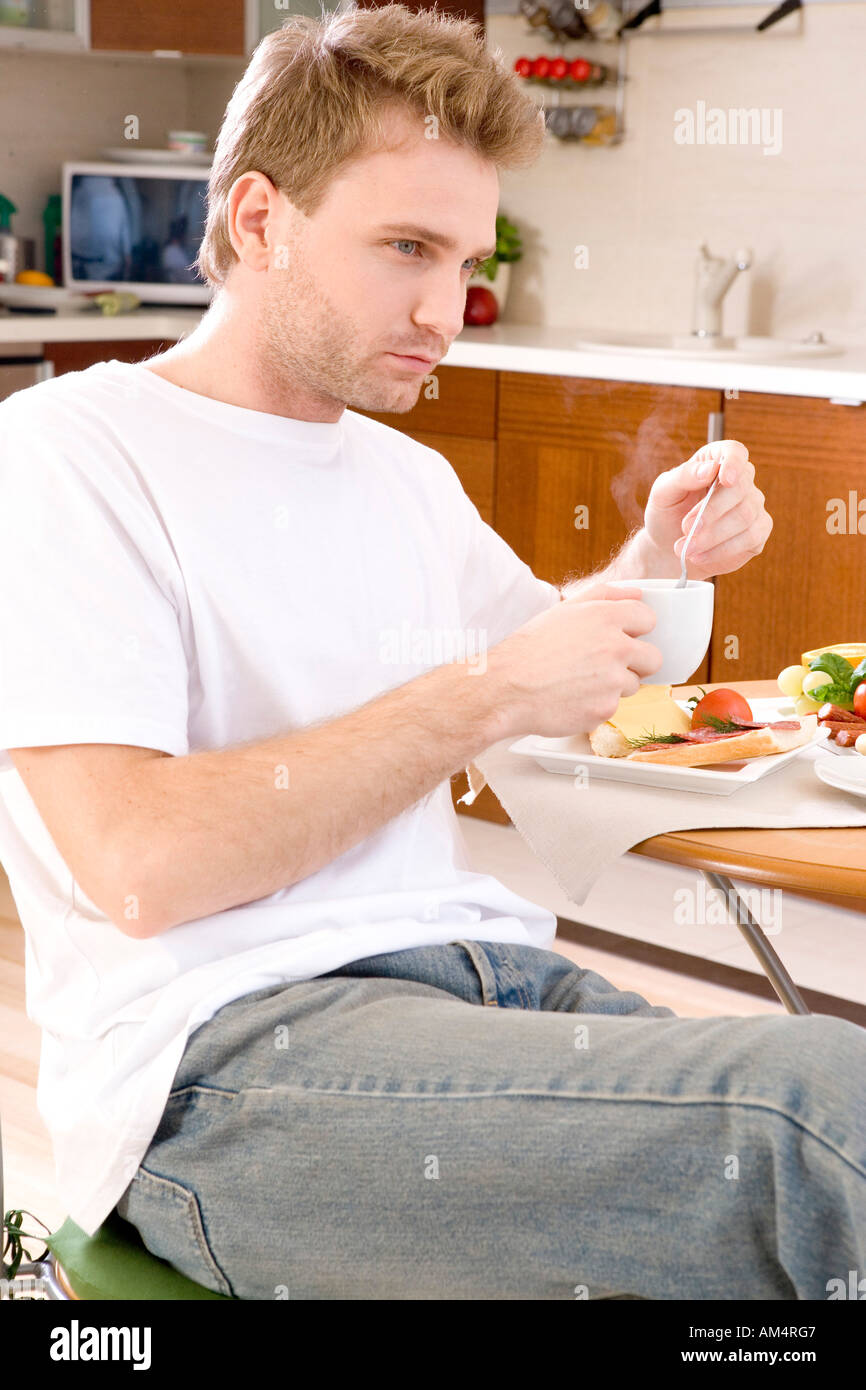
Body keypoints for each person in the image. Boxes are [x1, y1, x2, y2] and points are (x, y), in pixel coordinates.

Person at [0, 3, 861, 1301]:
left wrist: (653, 556)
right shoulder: (71, 456)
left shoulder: (402, 477)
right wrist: (485, 692)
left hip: (484, 985)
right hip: (227, 1064)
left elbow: (550, 671)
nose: (445, 310)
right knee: (820, 1113)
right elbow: (143, 868)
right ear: (259, 220)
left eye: (462, 259)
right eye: (405, 246)